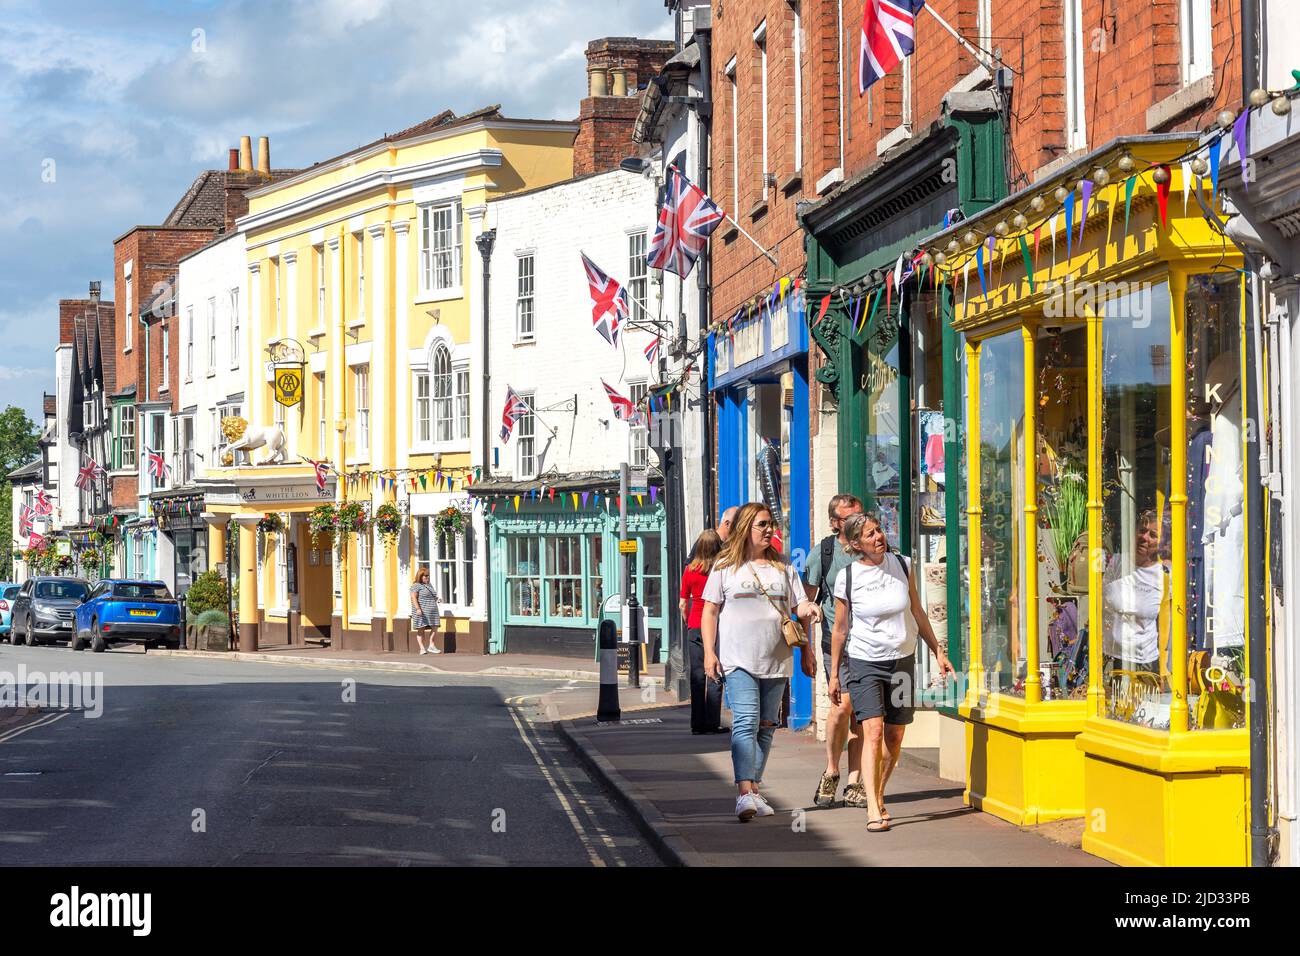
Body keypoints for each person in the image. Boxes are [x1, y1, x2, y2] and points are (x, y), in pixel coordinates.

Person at [828, 512, 954, 832]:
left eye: (879, 530)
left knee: (895, 735)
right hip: (865, 662)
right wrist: (833, 674)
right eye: (869, 535)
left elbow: (917, 610)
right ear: (856, 543)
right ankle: (872, 806)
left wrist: (937, 650)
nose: (878, 537)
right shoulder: (849, 577)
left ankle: (879, 792)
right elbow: (840, 630)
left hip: (901, 660)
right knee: (872, 731)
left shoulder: (902, 564)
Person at [702, 502, 823, 822]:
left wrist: (808, 614)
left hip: (777, 659)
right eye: (763, 524)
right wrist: (709, 653)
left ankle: (754, 788)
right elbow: (710, 610)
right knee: (746, 720)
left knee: (767, 726)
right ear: (745, 528)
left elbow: (797, 607)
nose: (770, 530)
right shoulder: (725, 566)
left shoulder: (784, 568)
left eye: (771, 524)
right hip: (738, 659)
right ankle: (744, 792)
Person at [802, 493, 866, 808]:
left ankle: (855, 780)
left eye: (860, 517)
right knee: (842, 708)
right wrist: (806, 648)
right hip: (835, 643)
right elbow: (806, 602)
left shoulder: (872, 549)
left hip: (870, 646)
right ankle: (832, 769)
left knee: (861, 715)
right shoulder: (823, 554)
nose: (858, 523)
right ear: (835, 523)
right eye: (850, 519)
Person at [1101, 510, 1167, 676]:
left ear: (1161, 541)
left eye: (1153, 535)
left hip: (1143, 665)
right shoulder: (1114, 562)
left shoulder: (1164, 575)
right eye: (1142, 530)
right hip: (1106, 660)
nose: (1144, 537)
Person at [681, 530, 726, 734]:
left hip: (695, 626)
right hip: (717, 626)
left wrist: (689, 622)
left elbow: (683, 604)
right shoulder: (722, 570)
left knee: (697, 675)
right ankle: (712, 722)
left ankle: (697, 724)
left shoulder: (690, 571)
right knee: (715, 673)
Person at [410, 567, 442, 655]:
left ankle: (431, 645)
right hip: (422, 611)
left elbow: (433, 596)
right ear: (420, 576)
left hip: (432, 611)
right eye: (425, 576)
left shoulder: (429, 585)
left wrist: (438, 599)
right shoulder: (415, 586)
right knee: (421, 629)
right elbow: (413, 598)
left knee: (435, 627)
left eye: (428, 576)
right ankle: (422, 648)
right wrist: (418, 609)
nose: (427, 577)